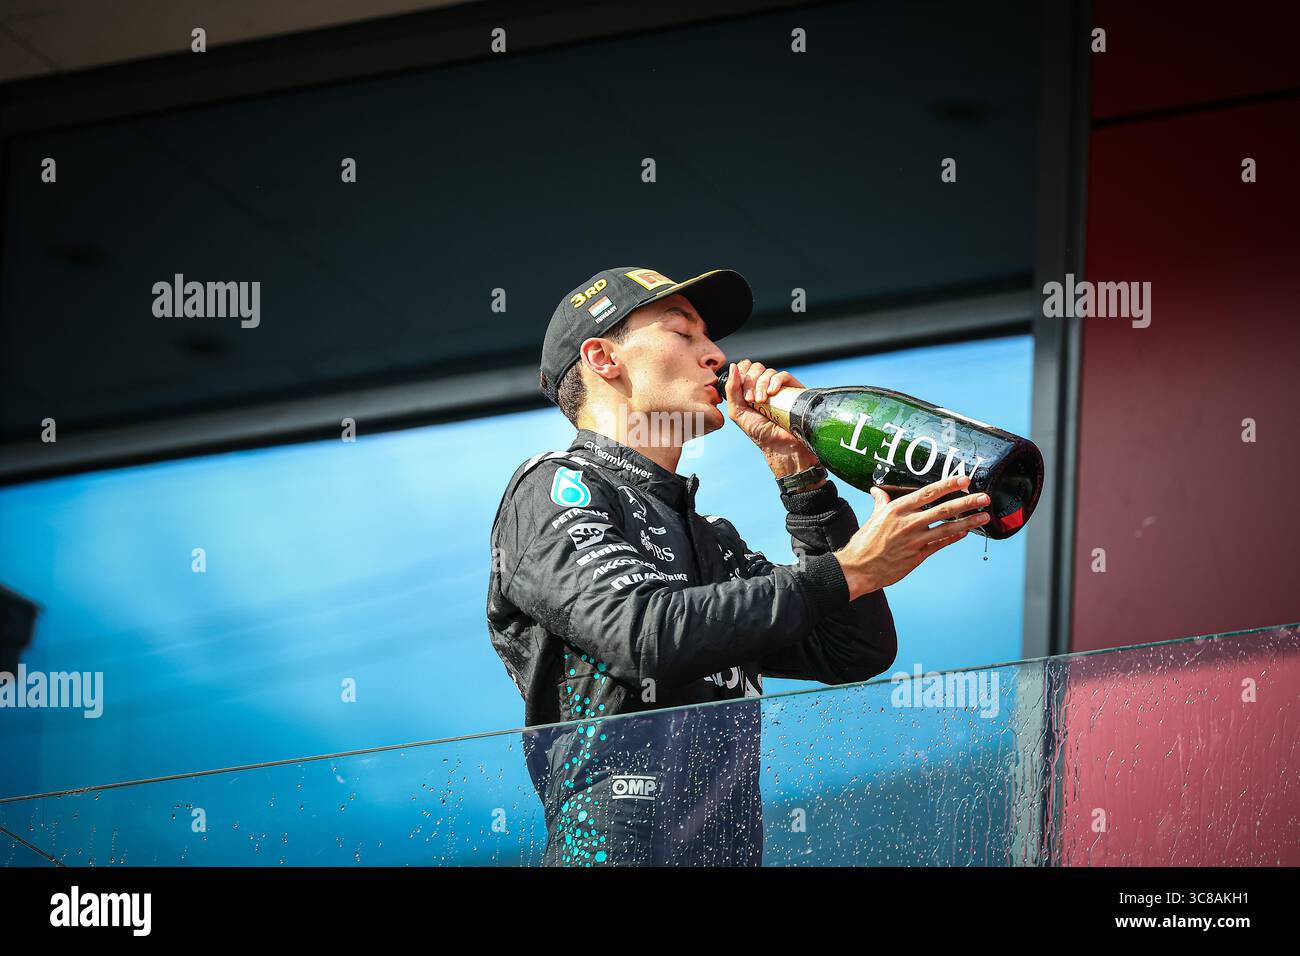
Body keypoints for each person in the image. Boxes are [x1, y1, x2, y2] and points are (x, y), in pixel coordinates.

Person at [486, 266, 990, 865]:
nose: (716, 356)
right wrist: (850, 569)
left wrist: (799, 475)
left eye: (709, 339)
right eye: (684, 333)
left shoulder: (712, 540)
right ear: (602, 357)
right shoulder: (553, 487)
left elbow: (852, 650)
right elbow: (642, 634)